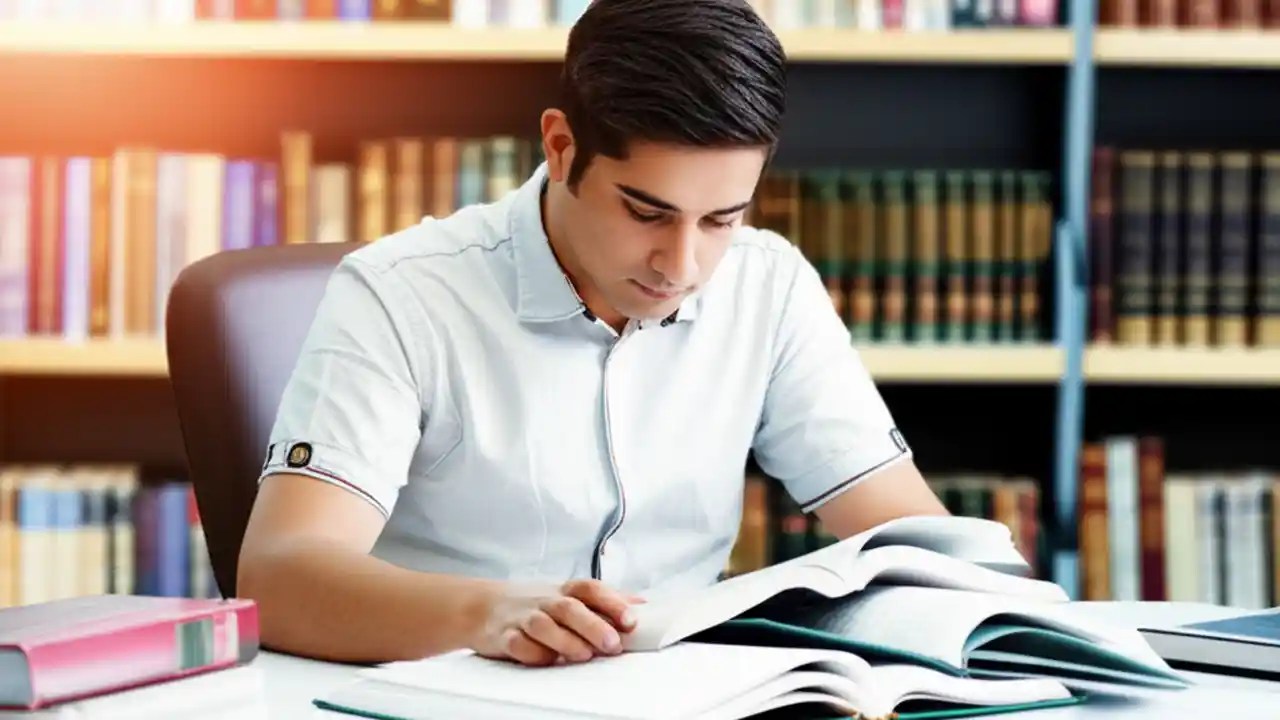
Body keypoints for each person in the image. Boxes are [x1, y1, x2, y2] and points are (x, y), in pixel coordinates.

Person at [237, 0, 949, 669]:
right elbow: (280, 577)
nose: (683, 265)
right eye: (646, 213)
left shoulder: (771, 287)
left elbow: (913, 542)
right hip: (447, 694)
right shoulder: (400, 294)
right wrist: (491, 615)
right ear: (560, 145)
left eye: (721, 220)